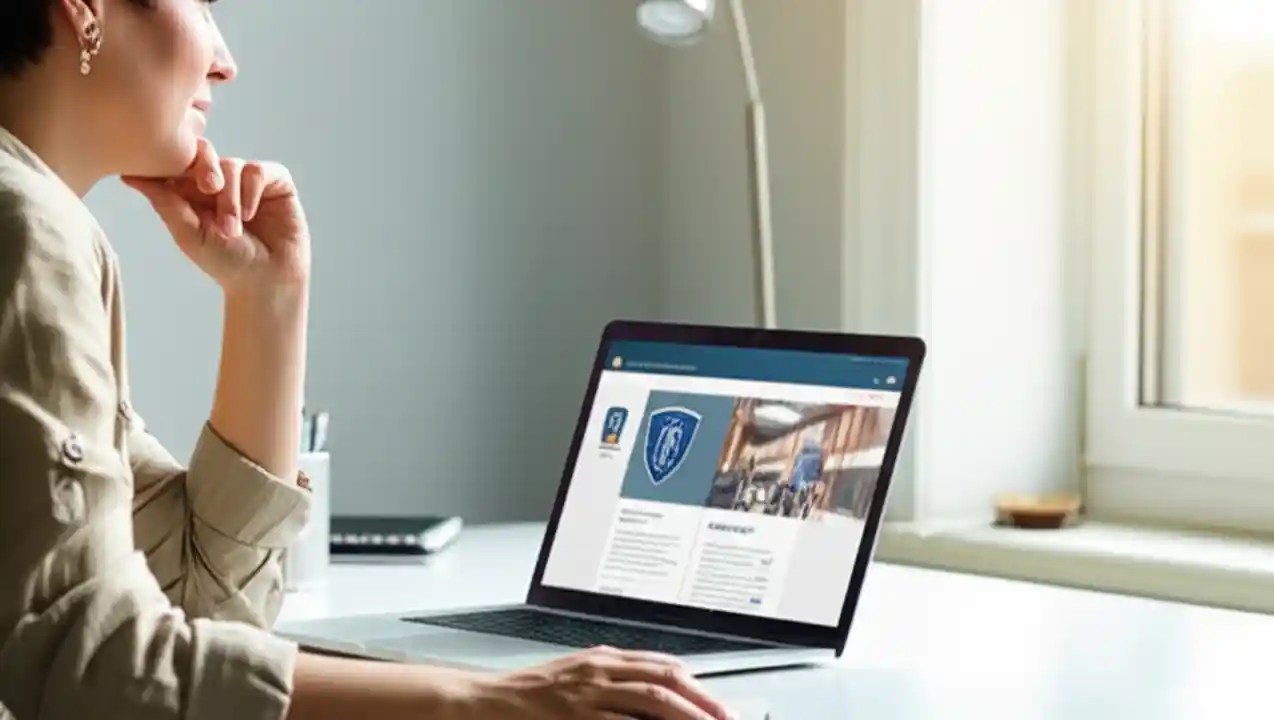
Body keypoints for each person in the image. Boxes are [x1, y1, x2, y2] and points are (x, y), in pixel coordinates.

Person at [0, 2, 735, 719]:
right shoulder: (27, 229)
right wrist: (483, 700)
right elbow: (88, 667)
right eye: (202, 3)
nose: (224, 61)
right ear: (85, 9)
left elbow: (201, 604)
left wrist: (269, 299)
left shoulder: (37, 220)